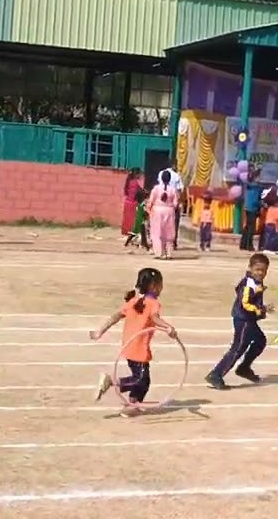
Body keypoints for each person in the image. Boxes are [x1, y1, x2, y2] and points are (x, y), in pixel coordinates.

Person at [92, 267, 178, 414]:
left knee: (142, 380)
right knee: (141, 380)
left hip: (128, 346)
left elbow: (115, 316)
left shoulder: (133, 301)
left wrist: (100, 331)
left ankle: (132, 404)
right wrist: (169, 328)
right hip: (139, 349)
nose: (162, 288)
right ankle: (112, 382)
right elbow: (155, 318)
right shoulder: (152, 303)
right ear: (153, 286)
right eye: (161, 284)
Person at [206, 253, 275, 390]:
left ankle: (244, 367)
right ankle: (216, 374)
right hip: (243, 319)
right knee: (238, 348)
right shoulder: (249, 284)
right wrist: (261, 309)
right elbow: (245, 304)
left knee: (260, 341)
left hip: (249, 319)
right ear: (250, 268)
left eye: (264, 270)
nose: (261, 273)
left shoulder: (255, 282)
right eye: (258, 269)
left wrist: (260, 293)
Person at [147, 169, 178, 260]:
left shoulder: (156, 188)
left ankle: (159, 253)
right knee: (168, 232)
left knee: (157, 232)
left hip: (157, 211)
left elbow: (151, 201)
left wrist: (149, 210)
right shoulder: (172, 189)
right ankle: (168, 253)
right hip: (169, 211)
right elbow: (176, 203)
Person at [239, 179, 263, 251]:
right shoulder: (258, 188)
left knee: (247, 227)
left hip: (247, 207)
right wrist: (260, 205)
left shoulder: (247, 186)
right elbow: (257, 199)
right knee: (251, 228)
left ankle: (243, 244)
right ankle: (249, 245)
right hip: (253, 208)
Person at [120, 169, 145, 237]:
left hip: (127, 202)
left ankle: (126, 231)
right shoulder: (135, 183)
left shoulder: (128, 182)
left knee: (127, 218)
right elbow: (138, 192)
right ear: (136, 175)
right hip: (133, 203)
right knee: (133, 219)